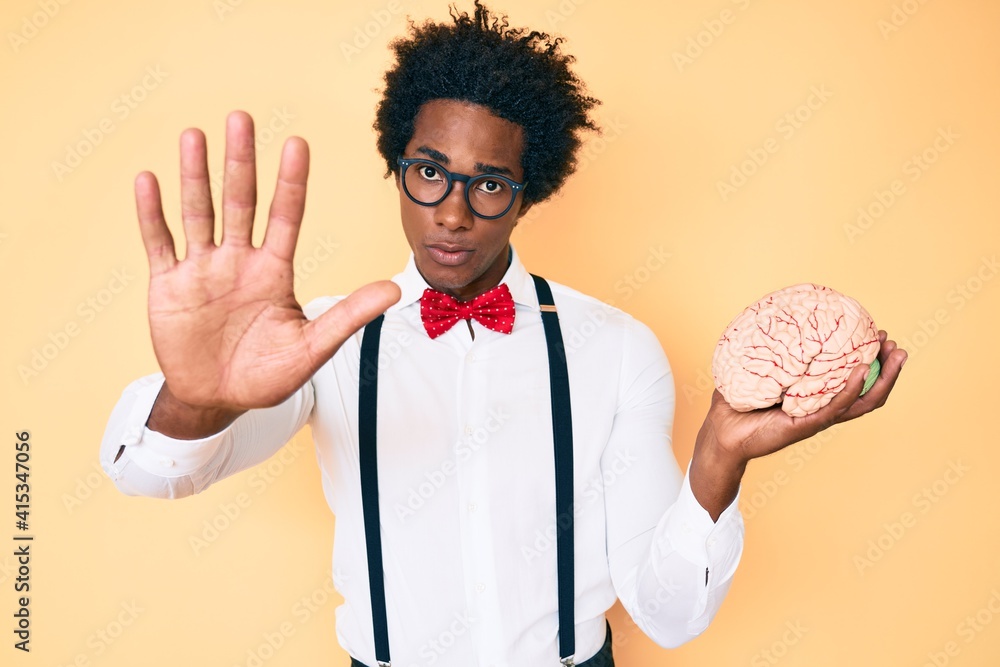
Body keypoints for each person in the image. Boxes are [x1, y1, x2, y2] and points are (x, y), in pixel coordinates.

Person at [98, 3, 906, 666]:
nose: (452, 212)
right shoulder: (317, 342)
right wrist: (195, 400)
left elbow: (667, 614)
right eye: (429, 172)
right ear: (397, 169)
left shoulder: (617, 349)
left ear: (528, 193)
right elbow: (147, 476)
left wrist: (720, 458)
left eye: (488, 184)